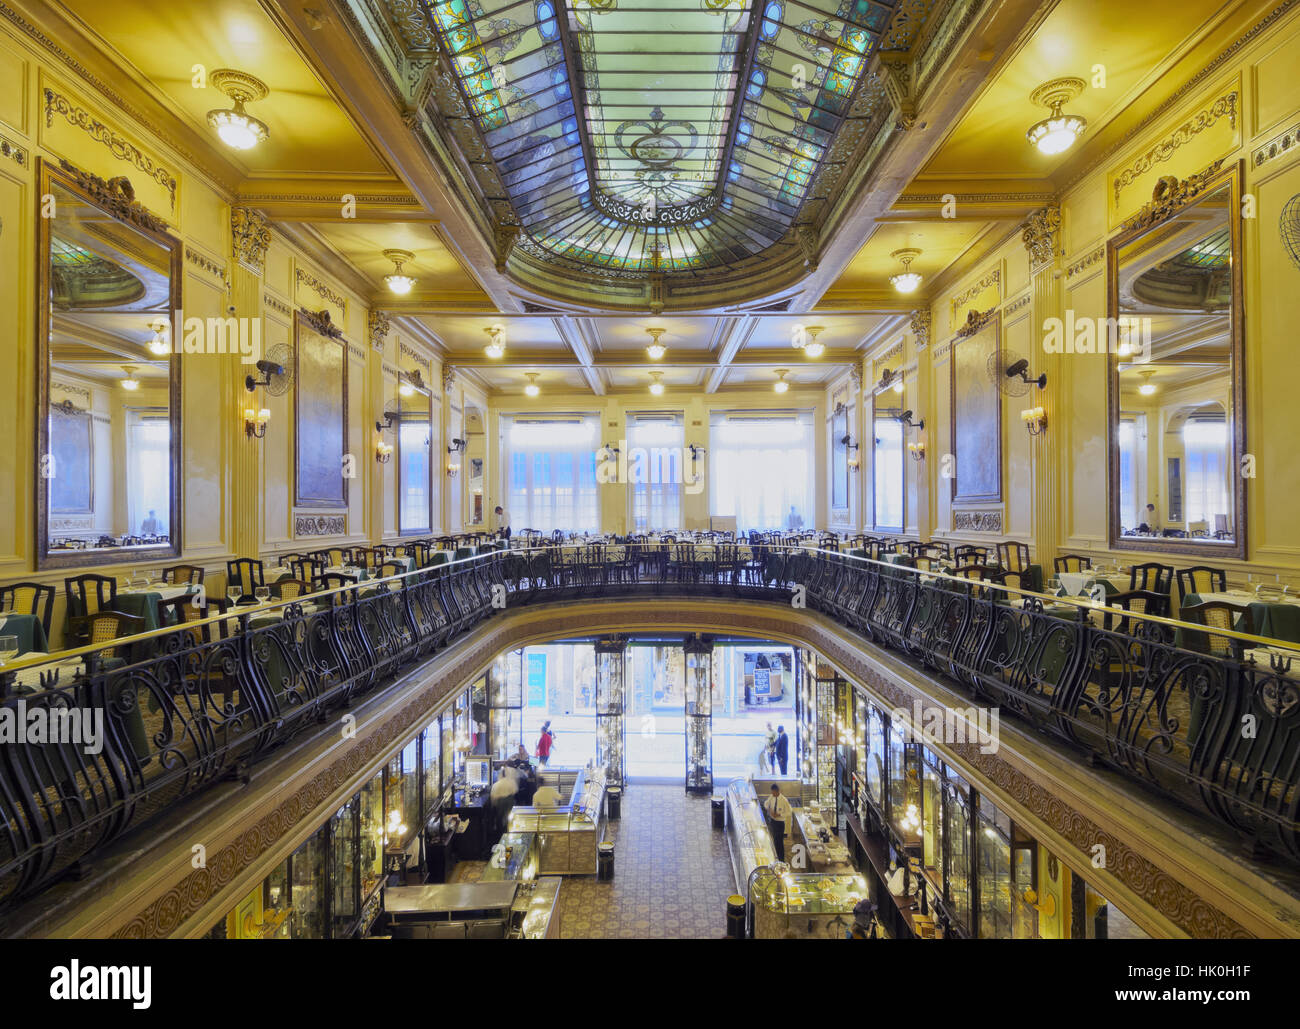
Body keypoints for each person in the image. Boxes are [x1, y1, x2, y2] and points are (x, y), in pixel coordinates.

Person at [764, 784, 792, 862]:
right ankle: (776, 858)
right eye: (772, 792)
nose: (772, 794)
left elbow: (789, 812)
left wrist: (779, 814)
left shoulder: (784, 800)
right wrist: (770, 810)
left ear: (778, 791)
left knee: (779, 841)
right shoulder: (771, 797)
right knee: (775, 841)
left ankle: (781, 859)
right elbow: (765, 804)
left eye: (774, 793)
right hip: (773, 822)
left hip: (780, 823)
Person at [490, 767, 518, 835]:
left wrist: (493, 805)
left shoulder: (496, 784)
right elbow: (515, 791)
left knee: (500, 817)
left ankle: (500, 833)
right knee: (509, 816)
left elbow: (493, 796)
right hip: (509, 801)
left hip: (500, 803)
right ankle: (509, 830)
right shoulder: (511, 782)